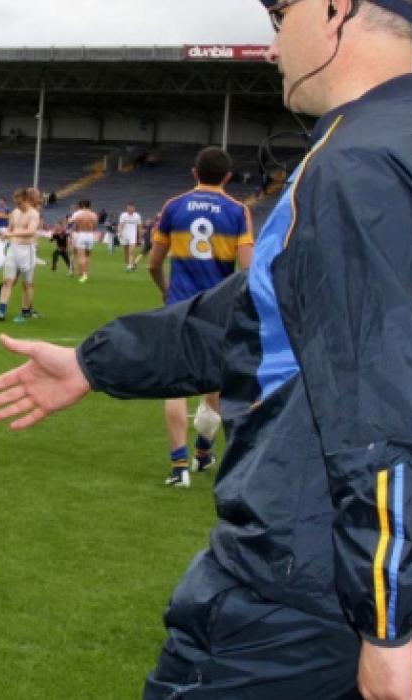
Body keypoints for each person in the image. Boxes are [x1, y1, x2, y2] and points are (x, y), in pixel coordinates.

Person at [0, 0, 412, 696]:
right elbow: (257, 311)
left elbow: (386, 403)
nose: (273, 39)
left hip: (319, 593)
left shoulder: (362, 164)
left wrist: (384, 621)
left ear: (335, 9)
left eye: (281, 12)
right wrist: (93, 362)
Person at [146, 146, 254, 488]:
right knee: (216, 384)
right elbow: (247, 269)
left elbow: (153, 262)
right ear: (228, 177)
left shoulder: (174, 206)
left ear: (194, 172)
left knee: (175, 385)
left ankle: (179, 468)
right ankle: (204, 451)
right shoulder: (238, 211)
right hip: (219, 307)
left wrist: (164, 288)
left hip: (179, 305)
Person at [0, 187, 41, 323]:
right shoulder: (15, 212)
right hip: (13, 249)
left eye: (20, 202)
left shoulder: (33, 214)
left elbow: (31, 231)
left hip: (27, 250)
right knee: (7, 281)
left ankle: (25, 312)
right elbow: (11, 228)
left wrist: (12, 234)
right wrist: (5, 236)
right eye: (16, 202)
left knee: (27, 284)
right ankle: (1, 310)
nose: (17, 205)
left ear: (26, 200)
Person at [70, 199, 98, 282]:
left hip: (81, 234)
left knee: (81, 256)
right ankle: (86, 272)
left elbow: (73, 225)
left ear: (83, 206)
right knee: (88, 255)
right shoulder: (94, 215)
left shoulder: (79, 215)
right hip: (90, 235)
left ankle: (83, 274)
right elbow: (95, 226)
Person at [117, 202, 143, 271]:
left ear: (134, 208)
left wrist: (140, 237)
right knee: (126, 252)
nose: (130, 209)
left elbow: (140, 227)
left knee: (131, 251)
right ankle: (129, 263)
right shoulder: (123, 215)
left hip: (133, 235)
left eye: (131, 208)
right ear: (127, 208)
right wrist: (120, 233)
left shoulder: (137, 216)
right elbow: (120, 225)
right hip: (124, 235)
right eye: (128, 208)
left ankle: (130, 266)